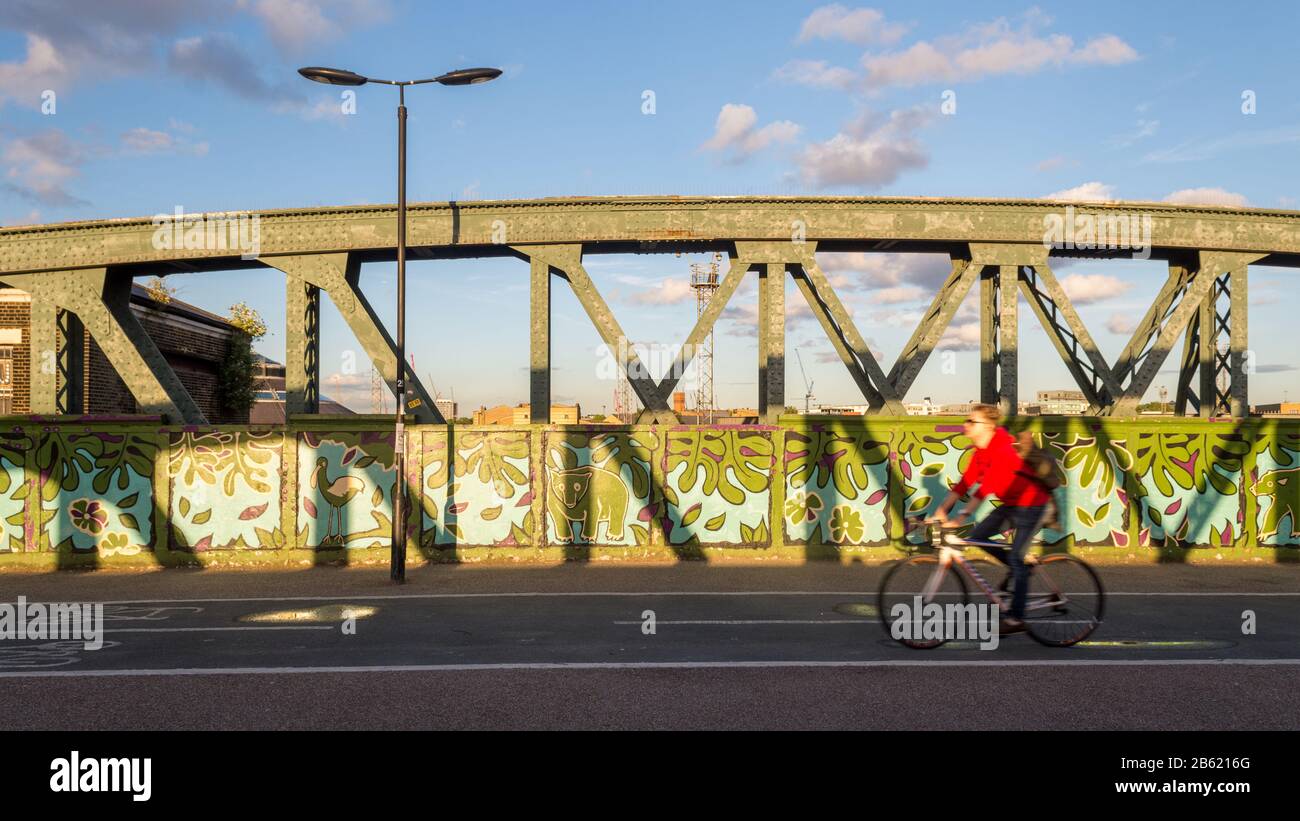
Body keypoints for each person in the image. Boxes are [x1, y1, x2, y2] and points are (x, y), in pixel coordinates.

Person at [934, 404, 1049, 634]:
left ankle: (1016, 618)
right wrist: (941, 511)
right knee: (978, 537)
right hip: (1012, 504)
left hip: (1033, 503)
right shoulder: (980, 452)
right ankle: (1021, 570)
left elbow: (985, 488)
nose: (965, 425)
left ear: (988, 426)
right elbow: (965, 483)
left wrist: (960, 517)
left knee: (1016, 557)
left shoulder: (1003, 449)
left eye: (971, 421)